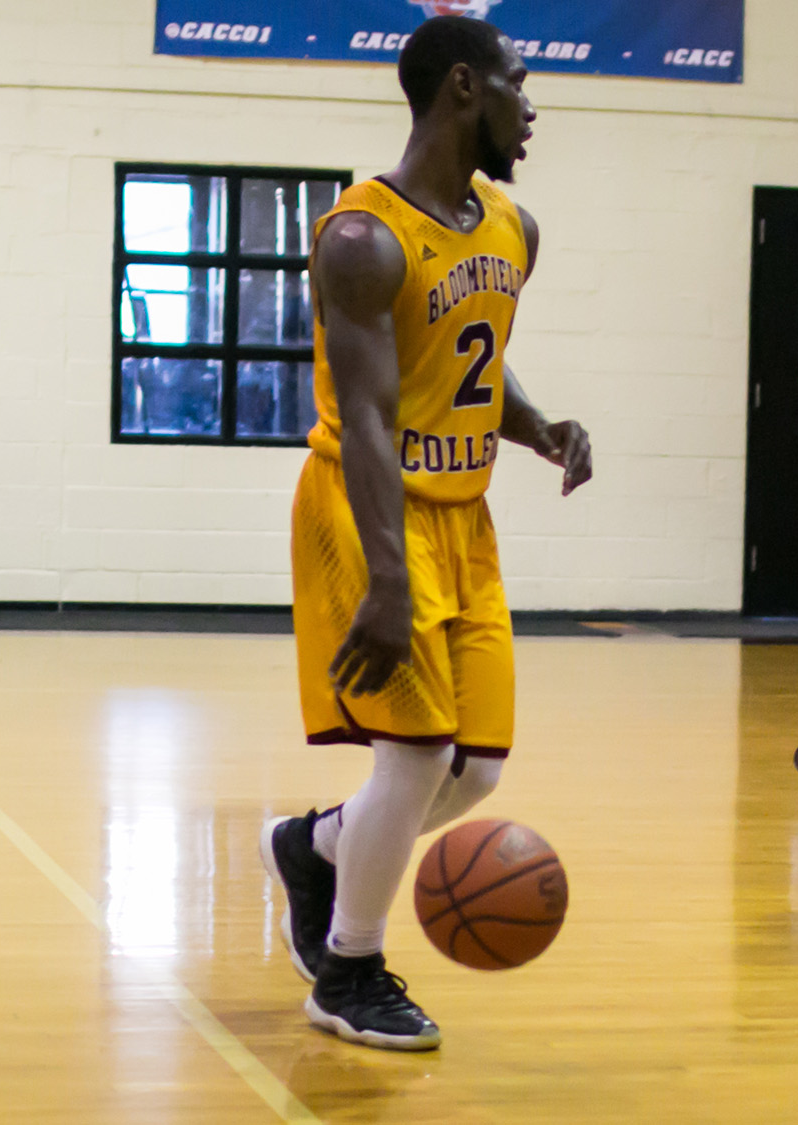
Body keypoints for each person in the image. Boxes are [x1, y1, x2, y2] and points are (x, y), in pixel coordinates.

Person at [258, 16, 592, 1050]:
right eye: (516, 84)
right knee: (414, 751)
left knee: (473, 771)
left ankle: (315, 848)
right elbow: (363, 412)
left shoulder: (513, 230)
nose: (529, 108)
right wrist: (387, 581)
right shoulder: (360, 238)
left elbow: (463, 363)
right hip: (365, 512)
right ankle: (348, 969)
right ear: (462, 88)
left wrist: (535, 425)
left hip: (464, 514)